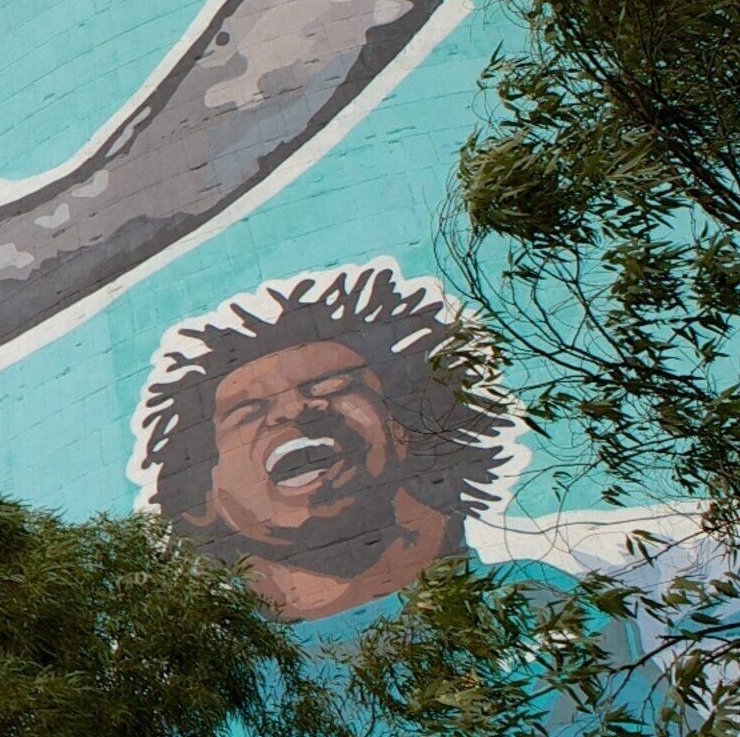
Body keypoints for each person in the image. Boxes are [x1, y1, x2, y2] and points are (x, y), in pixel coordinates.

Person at [130, 265, 519, 622]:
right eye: (248, 412)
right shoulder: (227, 676)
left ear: (406, 428)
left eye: (334, 385)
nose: (296, 409)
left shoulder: (532, 604)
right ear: (203, 499)